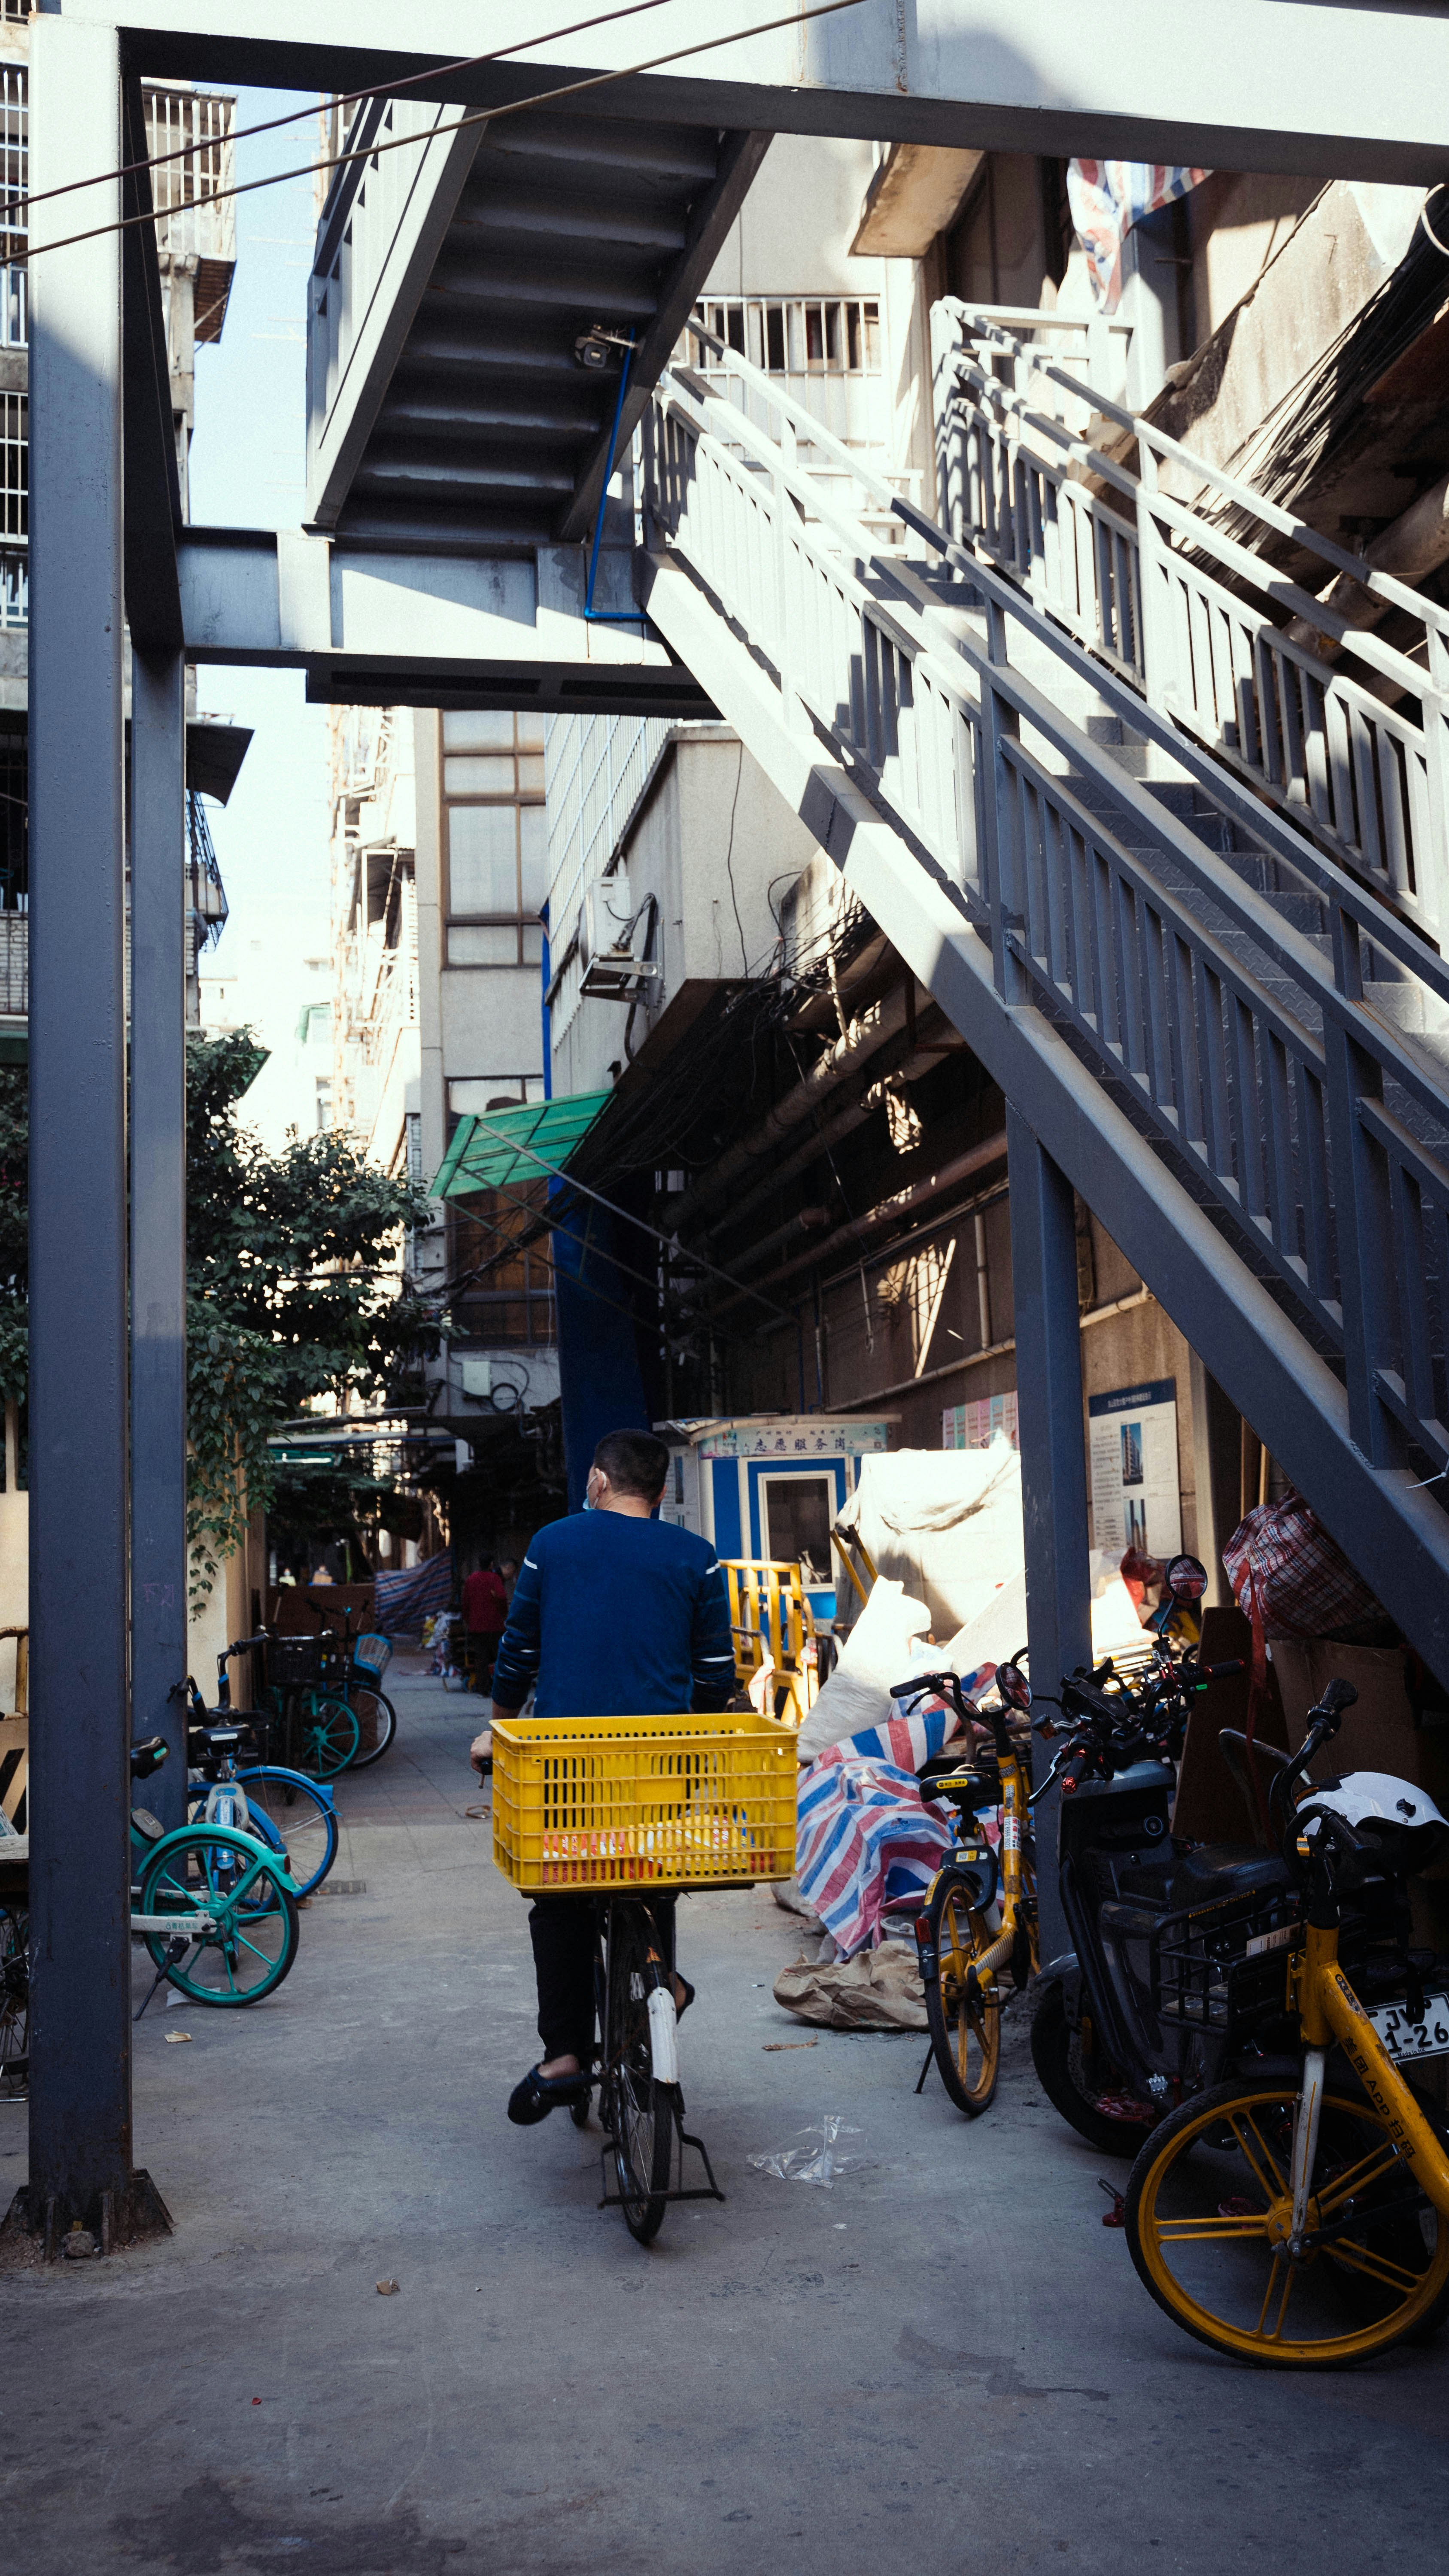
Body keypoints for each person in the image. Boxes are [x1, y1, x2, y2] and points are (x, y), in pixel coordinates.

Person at [470, 1428, 734, 2126]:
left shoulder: (553, 1545)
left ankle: (565, 2057)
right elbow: (715, 1678)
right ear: (662, 1491)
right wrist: (688, 1736)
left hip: (567, 1772)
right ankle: (664, 1985)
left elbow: (518, 1653)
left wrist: (496, 1727)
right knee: (652, 1882)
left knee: (560, 1901)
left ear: (596, 1481)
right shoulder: (697, 1557)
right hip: (660, 1772)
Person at [460, 1555, 507, 1695]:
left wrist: (468, 1620)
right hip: (494, 1625)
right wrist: (503, 1613)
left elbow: (465, 1603)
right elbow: (502, 1596)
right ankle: (502, 1687)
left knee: (481, 1658)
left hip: (476, 1626)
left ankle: (483, 1689)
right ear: (491, 1564)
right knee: (499, 1656)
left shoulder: (471, 1579)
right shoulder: (494, 1579)